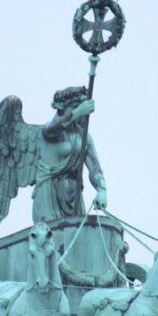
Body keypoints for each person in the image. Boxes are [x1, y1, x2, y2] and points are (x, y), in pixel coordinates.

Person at [33, 86, 107, 222]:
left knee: (79, 237)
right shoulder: (50, 131)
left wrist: (102, 190)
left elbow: (94, 166)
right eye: (74, 106)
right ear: (62, 108)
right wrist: (78, 111)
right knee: (53, 234)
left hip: (74, 196)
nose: (82, 112)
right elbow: (51, 130)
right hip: (49, 193)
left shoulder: (84, 137)